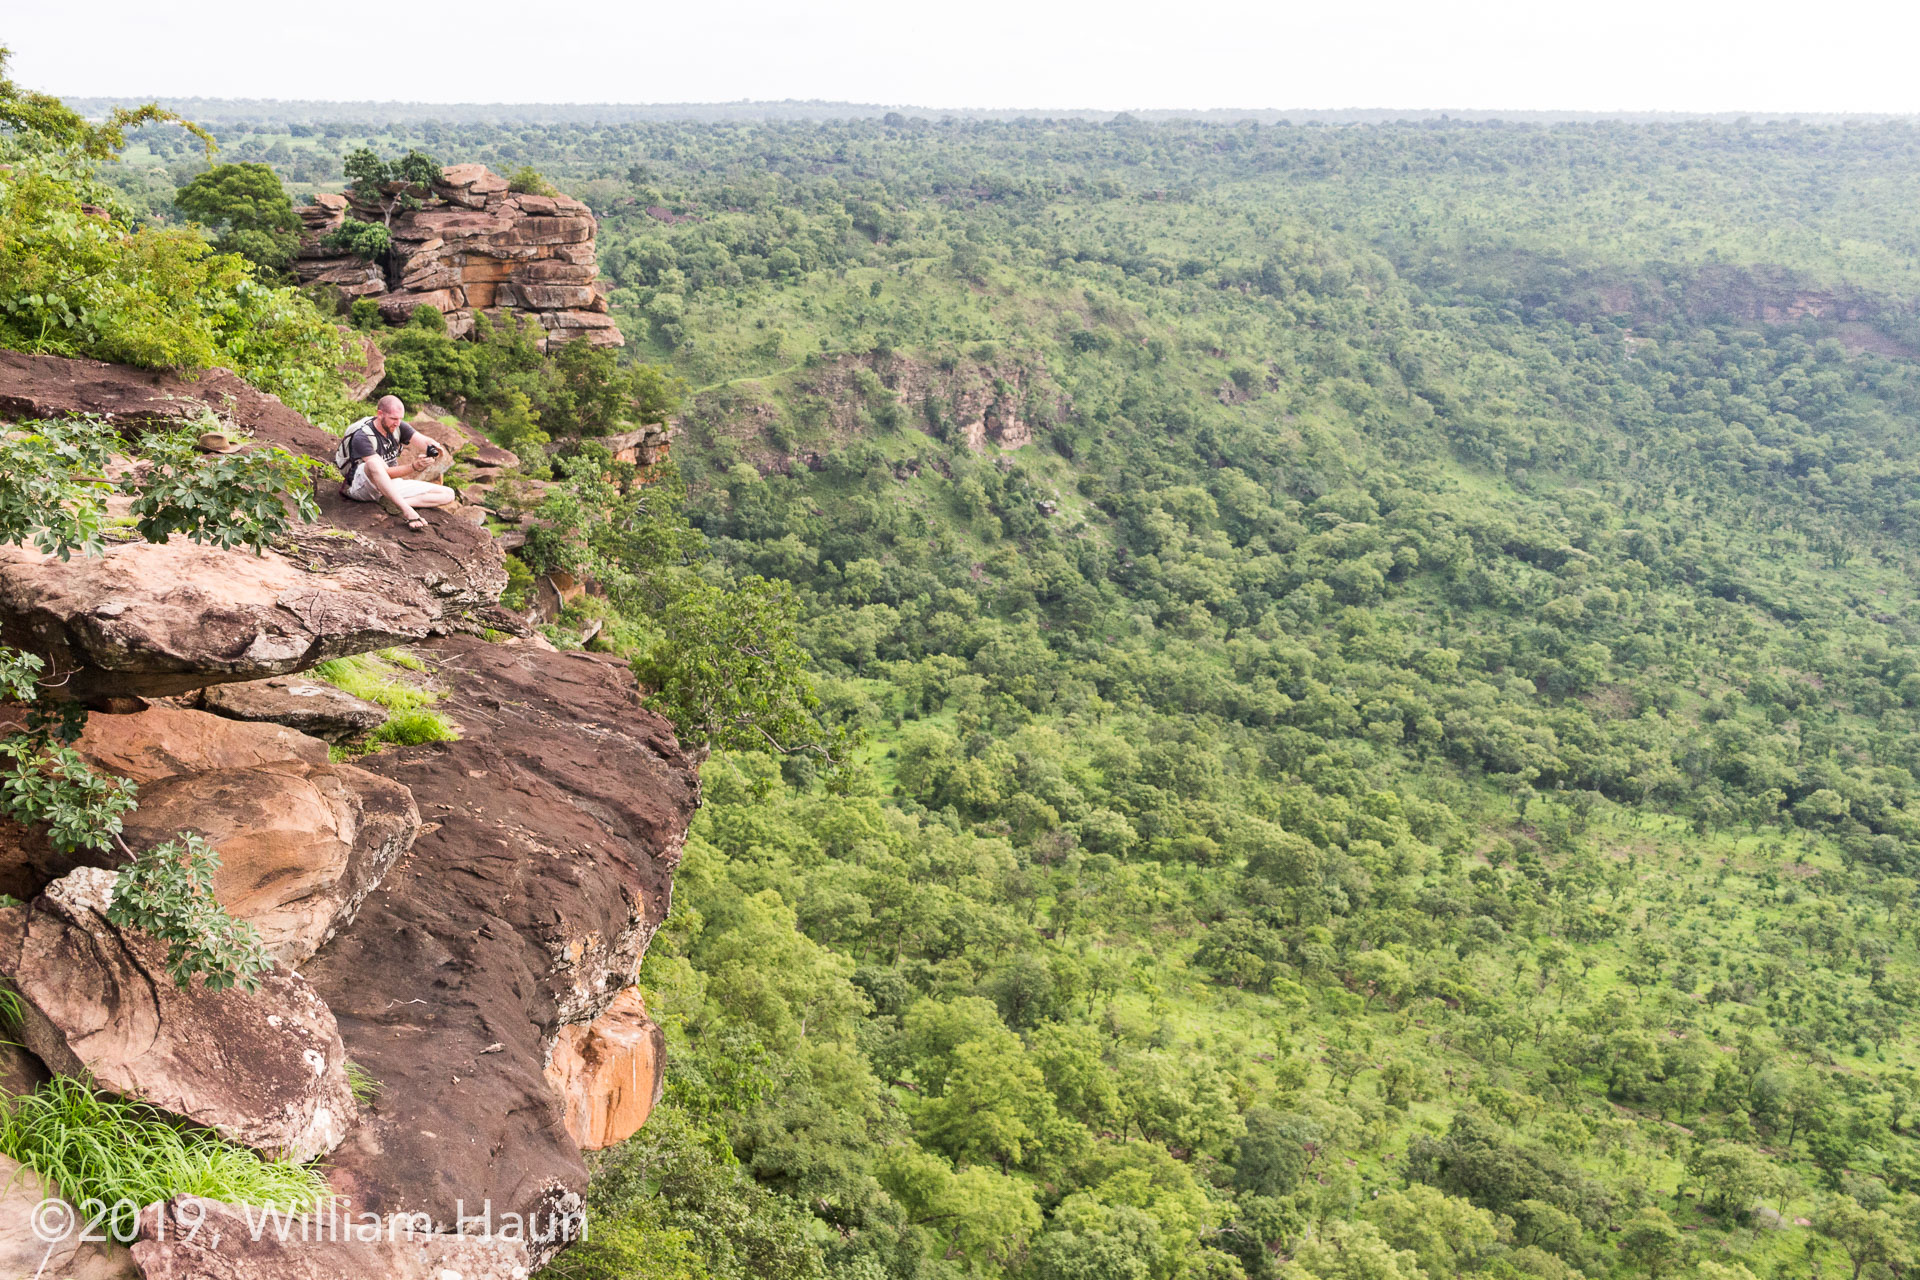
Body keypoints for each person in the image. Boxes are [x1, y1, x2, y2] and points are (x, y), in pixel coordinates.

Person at [336, 395, 456, 529]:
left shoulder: (398, 426)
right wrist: (414, 466)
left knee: (448, 494)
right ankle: (407, 510)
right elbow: (386, 473)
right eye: (393, 418)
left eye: (400, 419)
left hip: (389, 485)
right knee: (373, 464)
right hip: (364, 486)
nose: (397, 423)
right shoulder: (362, 436)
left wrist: (433, 447)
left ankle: (393, 502)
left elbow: (421, 440)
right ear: (380, 414)